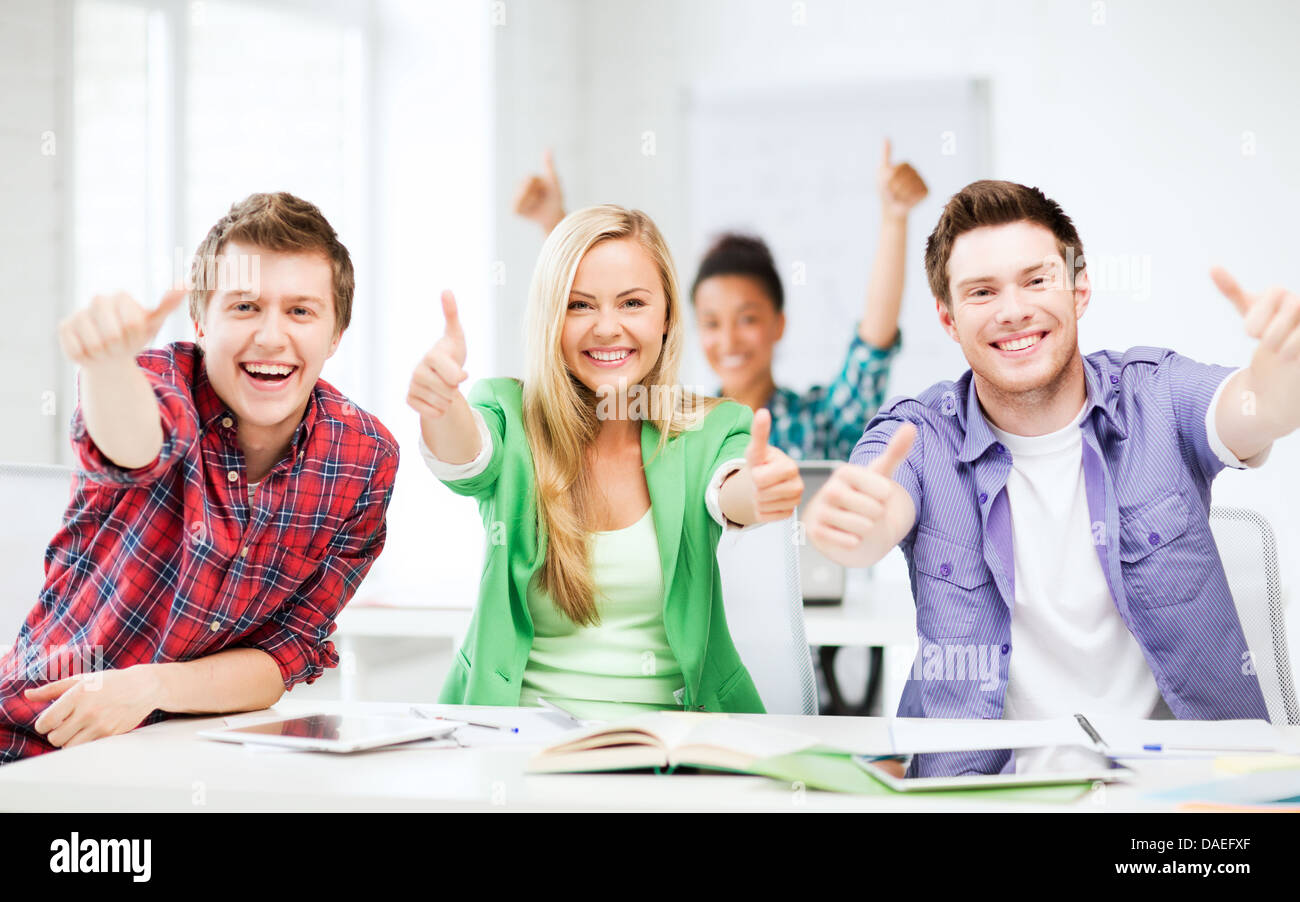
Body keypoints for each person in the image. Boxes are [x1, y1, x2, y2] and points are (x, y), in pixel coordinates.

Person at [804, 180, 1293, 776]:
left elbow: (1256, 407)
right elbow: (876, 513)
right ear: (948, 318)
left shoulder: (1156, 395)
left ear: (1078, 286)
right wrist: (853, 526)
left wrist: (1281, 377)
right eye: (981, 292)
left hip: (1176, 799)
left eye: (1036, 280)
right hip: (988, 798)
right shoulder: (921, 435)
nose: (1014, 310)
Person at [0, 192, 399, 762]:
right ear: (201, 323)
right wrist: (108, 365)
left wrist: (150, 686)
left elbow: (285, 655)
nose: (270, 335)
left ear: (335, 334)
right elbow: (134, 446)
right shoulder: (159, 383)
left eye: (300, 311)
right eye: (244, 307)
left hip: (193, 752)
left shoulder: (364, 458)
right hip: (32, 737)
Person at [409, 205, 803, 711]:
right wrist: (441, 403)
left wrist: (762, 490)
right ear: (552, 318)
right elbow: (467, 455)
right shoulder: (508, 413)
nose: (606, 328)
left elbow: (730, 490)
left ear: (666, 318)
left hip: (673, 754)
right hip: (515, 748)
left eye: (632, 303)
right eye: (579, 305)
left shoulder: (711, 428)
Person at [513, 141, 929, 460]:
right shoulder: (675, 424)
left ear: (778, 324)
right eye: (711, 322)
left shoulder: (820, 422)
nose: (728, 340)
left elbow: (872, 347)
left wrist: (895, 218)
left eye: (747, 318)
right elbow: (596, 367)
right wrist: (555, 223)